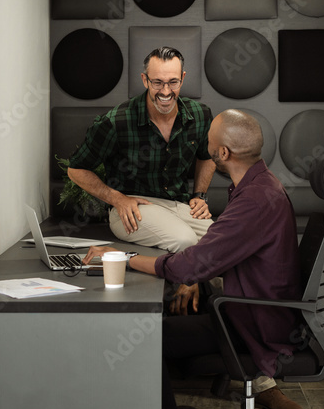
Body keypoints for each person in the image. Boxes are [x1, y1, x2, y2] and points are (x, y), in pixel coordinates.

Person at [84, 109, 306, 409]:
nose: (203, 145)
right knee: (170, 315)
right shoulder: (260, 185)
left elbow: (191, 262)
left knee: (143, 344)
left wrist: (119, 257)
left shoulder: (255, 199)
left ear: (222, 153)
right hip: (252, 311)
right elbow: (212, 255)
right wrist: (196, 276)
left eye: (209, 142)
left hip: (251, 325)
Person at [67, 46, 215, 253]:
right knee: (184, 241)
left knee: (221, 241)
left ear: (182, 78)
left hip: (178, 205)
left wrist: (200, 195)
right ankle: (186, 286)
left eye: (173, 82)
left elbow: (207, 156)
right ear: (145, 80)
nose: (165, 91)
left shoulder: (200, 114)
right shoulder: (115, 122)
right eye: (157, 82)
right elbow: (76, 169)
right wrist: (116, 199)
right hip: (131, 208)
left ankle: (203, 286)